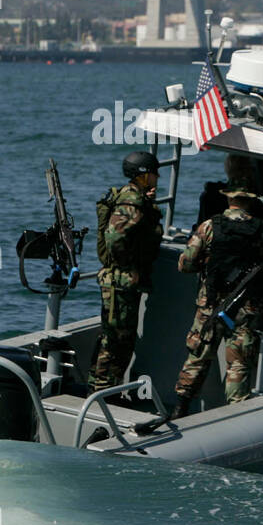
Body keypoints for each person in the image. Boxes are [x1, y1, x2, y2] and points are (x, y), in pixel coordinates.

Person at [171, 171, 263, 417]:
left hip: (210, 304)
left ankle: (180, 408)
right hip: (246, 307)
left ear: (228, 199)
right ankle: (235, 414)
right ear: (252, 200)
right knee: (239, 364)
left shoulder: (208, 227)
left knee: (198, 356)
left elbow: (185, 265)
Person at [89, 151, 164, 393]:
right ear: (143, 175)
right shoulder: (132, 201)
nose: (157, 177)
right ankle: (102, 390)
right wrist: (127, 264)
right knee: (116, 342)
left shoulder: (133, 197)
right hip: (120, 281)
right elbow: (115, 238)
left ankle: (102, 388)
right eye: (153, 173)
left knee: (116, 338)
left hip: (120, 281)